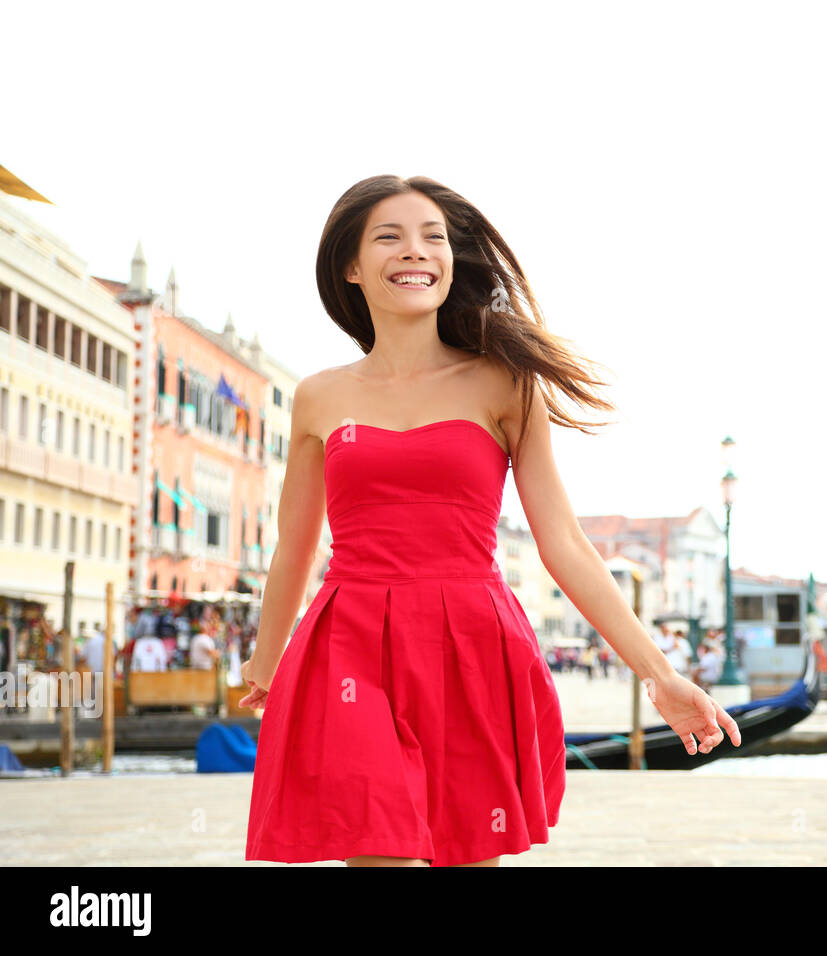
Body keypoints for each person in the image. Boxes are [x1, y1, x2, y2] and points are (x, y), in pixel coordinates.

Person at [241, 175, 741, 869]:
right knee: (380, 848)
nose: (416, 251)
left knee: (466, 856)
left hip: (471, 644)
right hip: (351, 643)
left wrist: (658, 674)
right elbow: (294, 547)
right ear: (351, 266)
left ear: (452, 259)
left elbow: (562, 543)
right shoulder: (318, 397)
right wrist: (269, 663)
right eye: (389, 236)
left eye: (433, 237)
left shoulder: (506, 382)